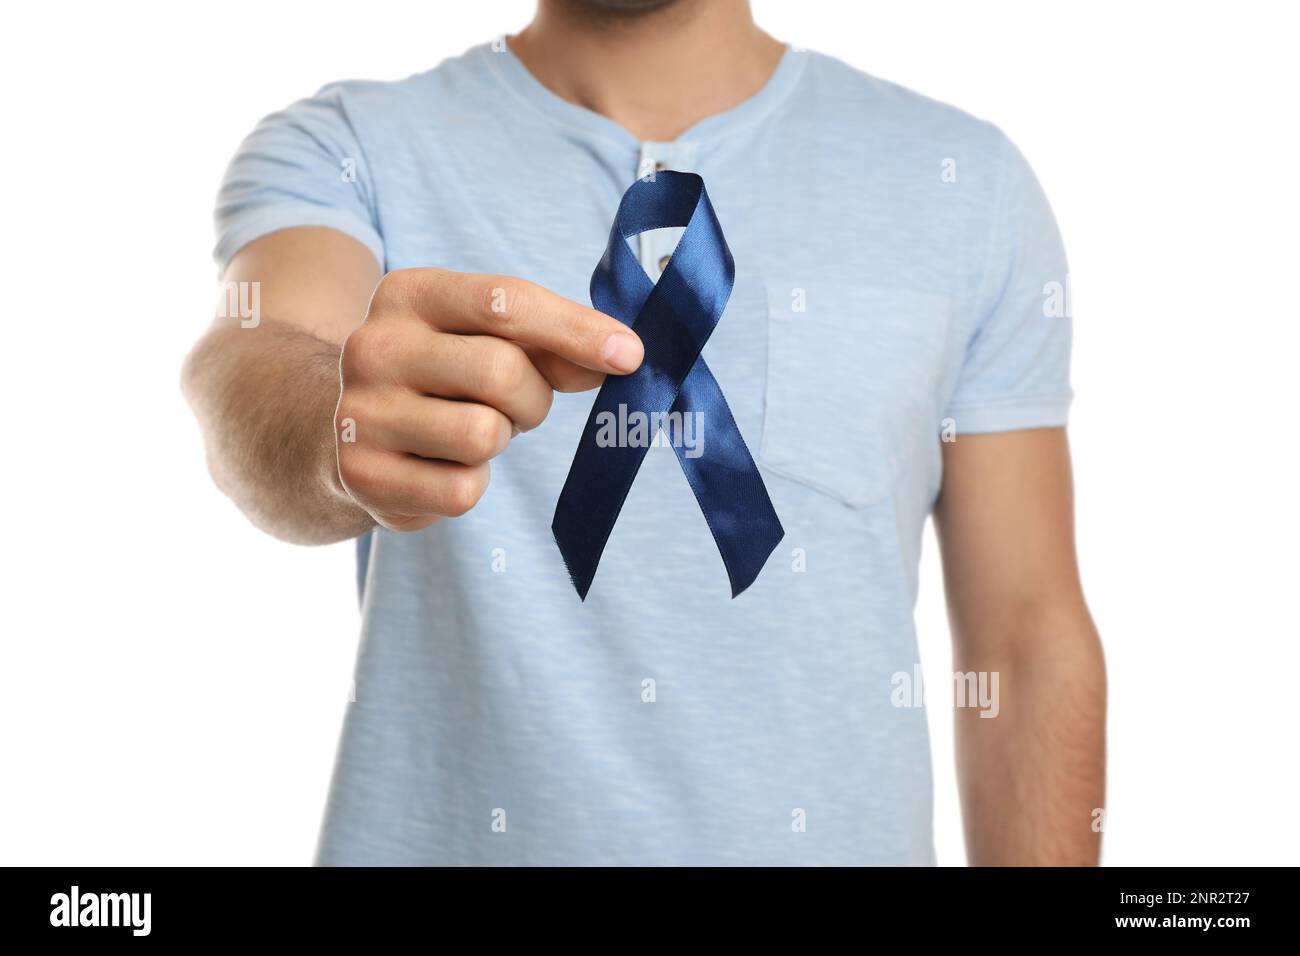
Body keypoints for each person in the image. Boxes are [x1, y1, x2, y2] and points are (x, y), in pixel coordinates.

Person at [182, 0, 1105, 865]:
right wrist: (334, 425)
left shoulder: (967, 185)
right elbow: (258, 360)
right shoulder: (348, 150)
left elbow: (1024, 643)